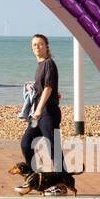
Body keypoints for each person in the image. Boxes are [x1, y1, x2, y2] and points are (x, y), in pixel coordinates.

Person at [20, 33, 62, 177]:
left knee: (53, 148)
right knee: (26, 143)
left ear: (46, 46)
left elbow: (48, 87)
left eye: (40, 44)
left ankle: (61, 182)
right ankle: (34, 177)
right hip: (38, 114)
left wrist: (38, 110)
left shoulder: (49, 63)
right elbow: (46, 87)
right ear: (32, 49)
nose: (37, 47)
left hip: (48, 113)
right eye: (34, 45)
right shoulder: (41, 65)